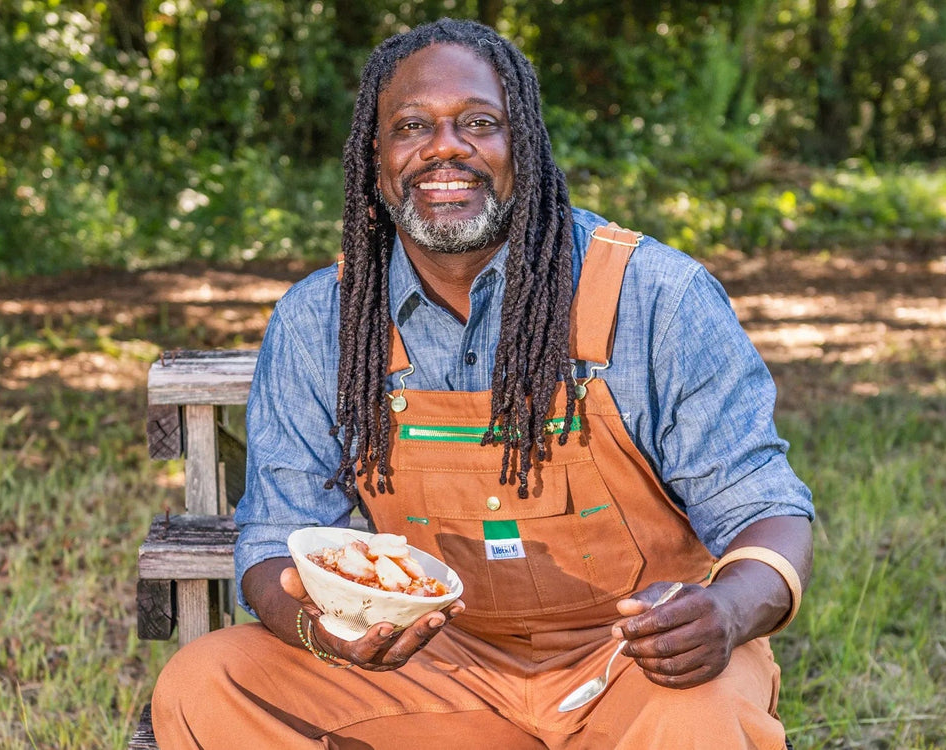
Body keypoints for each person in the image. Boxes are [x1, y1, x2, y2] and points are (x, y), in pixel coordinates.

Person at [153, 18, 814, 750]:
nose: (445, 147)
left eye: (479, 123)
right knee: (205, 683)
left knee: (701, 712)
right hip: (432, 663)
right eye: (411, 125)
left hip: (635, 666)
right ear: (376, 158)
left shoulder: (657, 296)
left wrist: (721, 611)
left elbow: (768, 512)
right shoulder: (322, 321)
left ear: (521, 146)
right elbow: (276, 539)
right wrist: (326, 633)